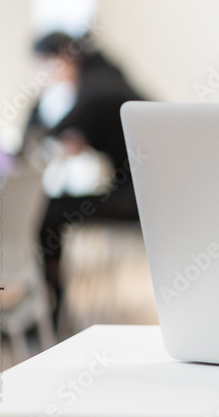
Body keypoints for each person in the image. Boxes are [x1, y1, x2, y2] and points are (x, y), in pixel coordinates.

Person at [24, 30, 146, 327]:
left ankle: (49, 309)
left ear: (64, 57)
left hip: (139, 198)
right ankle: (49, 305)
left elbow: (37, 139)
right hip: (142, 192)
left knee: (48, 211)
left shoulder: (97, 90)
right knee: (53, 207)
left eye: (44, 65)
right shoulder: (106, 81)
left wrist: (36, 98)